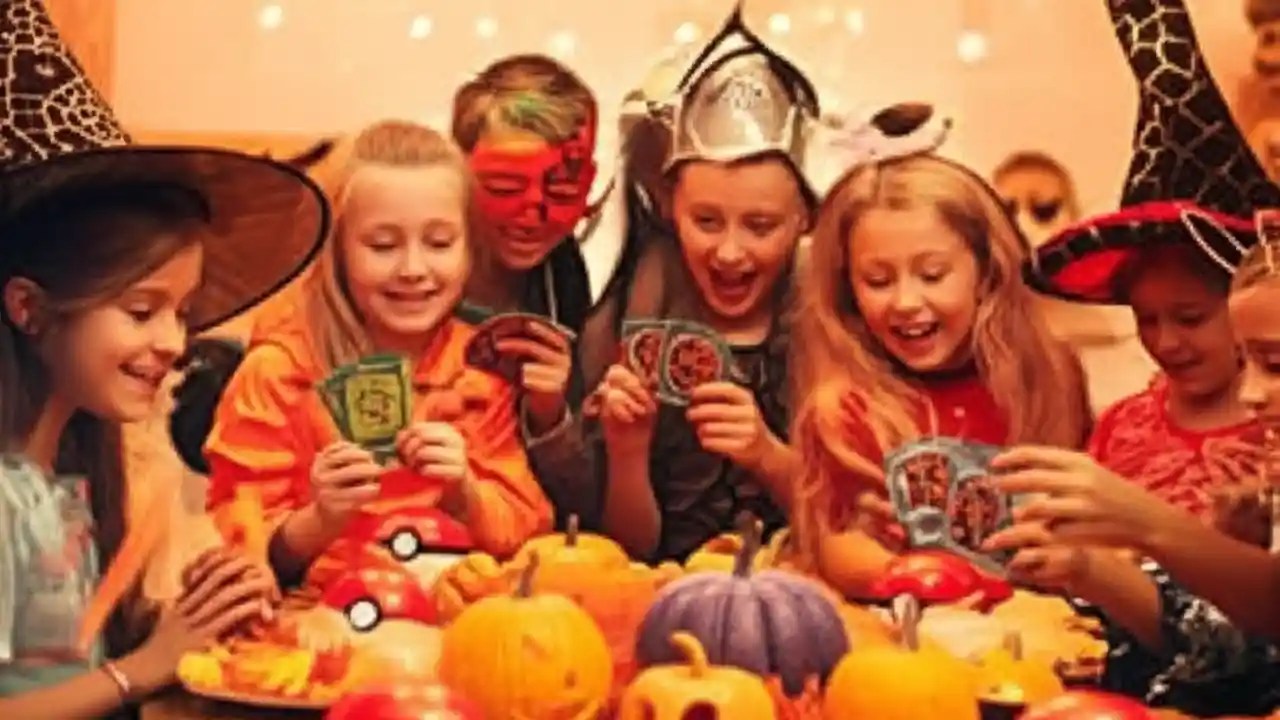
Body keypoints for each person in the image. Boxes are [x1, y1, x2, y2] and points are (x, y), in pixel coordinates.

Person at [0, 0, 329, 716]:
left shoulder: (61, 477)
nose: (176, 343)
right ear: (28, 309)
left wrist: (192, 618)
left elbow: (52, 660)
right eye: (141, 311)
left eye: (181, 313)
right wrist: (144, 669)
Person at [202, 120, 552, 590]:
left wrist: (464, 492)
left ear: (470, 250)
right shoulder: (278, 373)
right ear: (337, 253)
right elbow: (233, 551)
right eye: (383, 245)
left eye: (439, 243)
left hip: (456, 624)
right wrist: (317, 520)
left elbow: (528, 534)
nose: (413, 269)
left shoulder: (478, 371)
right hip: (314, 629)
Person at [788, 153, 1091, 598]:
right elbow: (835, 540)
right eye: (877, 280)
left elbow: (1086, 510)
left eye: (932, 275)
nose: (906, 301)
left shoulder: (1049, 375)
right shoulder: (845, 406)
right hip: (911, 638)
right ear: (847, 290)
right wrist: (898, 572)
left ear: (987, 273)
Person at [587, 7, 817, 561]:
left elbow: (862, 533)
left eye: (760, 226)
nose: (730, 250)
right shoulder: (631, 312)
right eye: (706, 221)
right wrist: (627, 452)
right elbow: (624, 552)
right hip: (667, 593)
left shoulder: (833, 324)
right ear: (670, 208)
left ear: (806, 218)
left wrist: (768, 455)